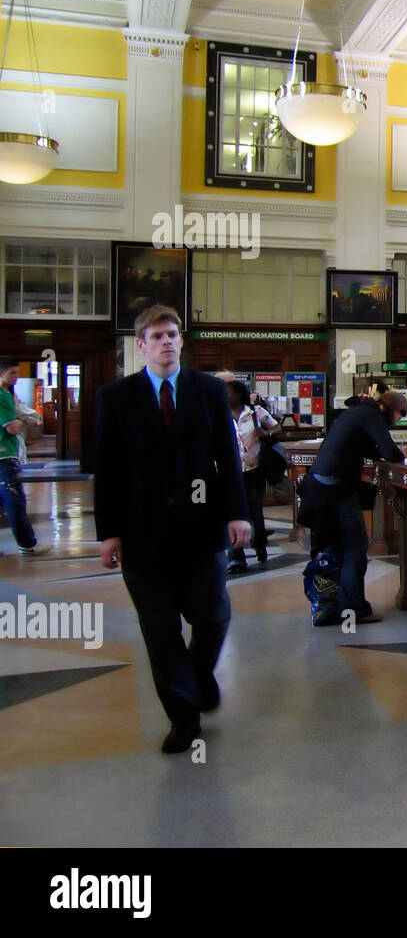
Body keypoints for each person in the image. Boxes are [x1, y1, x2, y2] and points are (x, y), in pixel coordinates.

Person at [94, 305, 251, 754]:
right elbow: (107, 470)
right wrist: (109, 531)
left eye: (173, 334)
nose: (166, 341)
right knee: (160, 633)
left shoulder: (207, 391)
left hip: (201, 531)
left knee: (214, 616)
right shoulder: (117, 397)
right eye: (157, 336)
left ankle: (198, 676)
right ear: (141, 345)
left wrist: (237, 512)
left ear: (182, 341)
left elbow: (227, 455)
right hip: (143, 536)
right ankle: (183, 718)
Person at [300, 390, 407, 626]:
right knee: (357, 545)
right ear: (389, 409)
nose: (397, 421)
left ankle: (330, 604)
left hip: (320, 486)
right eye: (398, 416)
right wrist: (401, 452)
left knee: (339, 545)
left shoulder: (358, 411)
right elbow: (390, 452)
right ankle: (355, 609)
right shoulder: (372, 415)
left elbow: (361, 446)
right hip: (337, 487)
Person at [226, 379, 280, 574]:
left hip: (254, 469)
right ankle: (236, 557)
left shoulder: (255, 412)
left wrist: (264, 432)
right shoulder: (220, 414)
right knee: (233, 512)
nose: (225, 396)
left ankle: (259, 545)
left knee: (255, 510)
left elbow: (277, 427)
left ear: (239, 395)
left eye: (229, 392)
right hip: (229, 471)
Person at [0, 358, 51, 556]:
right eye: (11, 372)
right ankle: (27, 544)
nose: (16, 376)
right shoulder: (3, 396)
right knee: (15, 501)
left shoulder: (9, 395)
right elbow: (12, 428)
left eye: (17, 372)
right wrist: (24, 419)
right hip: (4, 455)